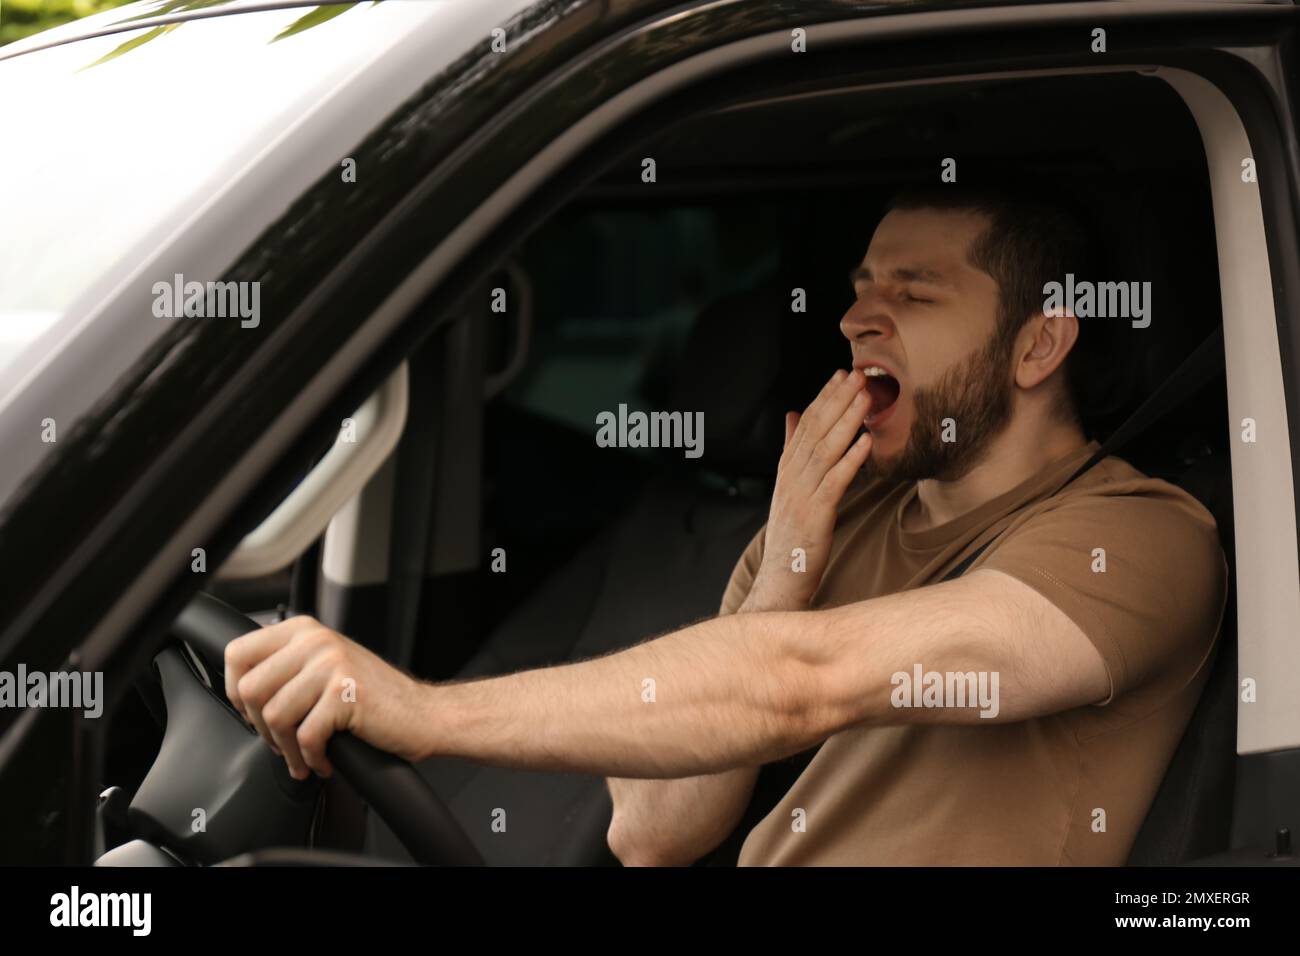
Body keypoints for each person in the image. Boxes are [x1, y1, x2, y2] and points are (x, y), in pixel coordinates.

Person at [224, 183, 1228, 866]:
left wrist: (425, 713)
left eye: (913, 292)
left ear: (1039, 342)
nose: (856, 320)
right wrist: (787, 555)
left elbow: (801, 678)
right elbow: (651, 831)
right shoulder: (833, 507)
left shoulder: (1137, 537)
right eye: (858, 290)